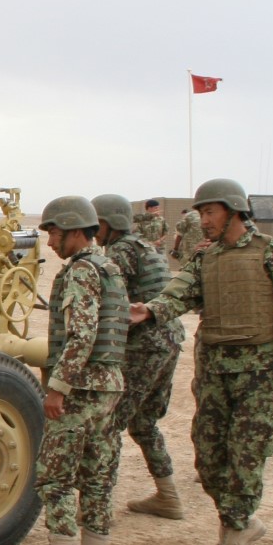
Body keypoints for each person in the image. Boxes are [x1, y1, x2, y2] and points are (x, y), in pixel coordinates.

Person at [131, 178, 273, 545]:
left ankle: (229, 542)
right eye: (200, 213)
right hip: (213, 368)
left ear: (233, 210)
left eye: (210, 212)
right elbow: (180, 292)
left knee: (245, 455)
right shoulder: (204, 258)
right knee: (209, 456)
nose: (204, 220)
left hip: (258, 371)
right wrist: (149, 310)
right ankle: (244, 523)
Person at [18, 196, 127, 545]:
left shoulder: (82, 271)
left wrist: (58, 387)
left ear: (76, 231)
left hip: (80, 389)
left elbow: (82, 335)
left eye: (54, 233)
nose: (49, 243)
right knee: (98, 477)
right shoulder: (110, 268)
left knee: (56, 478)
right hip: (108, 387)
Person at [93, 194, 187, 523]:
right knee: (144, 423)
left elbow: (109, 301)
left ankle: (99, 508)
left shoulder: (120, 251)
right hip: (169, 340)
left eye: (98, 225)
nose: (94, 232)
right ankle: (168, 496)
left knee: (109, 424)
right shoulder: (146, 247)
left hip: (145, 345)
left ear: (110, 224)